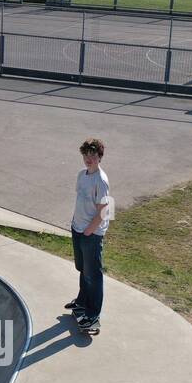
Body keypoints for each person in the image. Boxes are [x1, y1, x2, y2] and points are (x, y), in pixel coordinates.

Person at [63, 138, 112, 336]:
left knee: (93, 275)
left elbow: (104, 210)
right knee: (82, 268)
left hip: (91, 234)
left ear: (100, 157)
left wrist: (89, 231)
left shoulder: (101, 180)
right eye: (86, 155)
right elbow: (81, 200)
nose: (88, 159)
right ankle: (82, 302)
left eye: (93, 155)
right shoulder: (82, 175)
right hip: (78, 228)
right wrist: (76, 225)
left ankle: (93, 316)